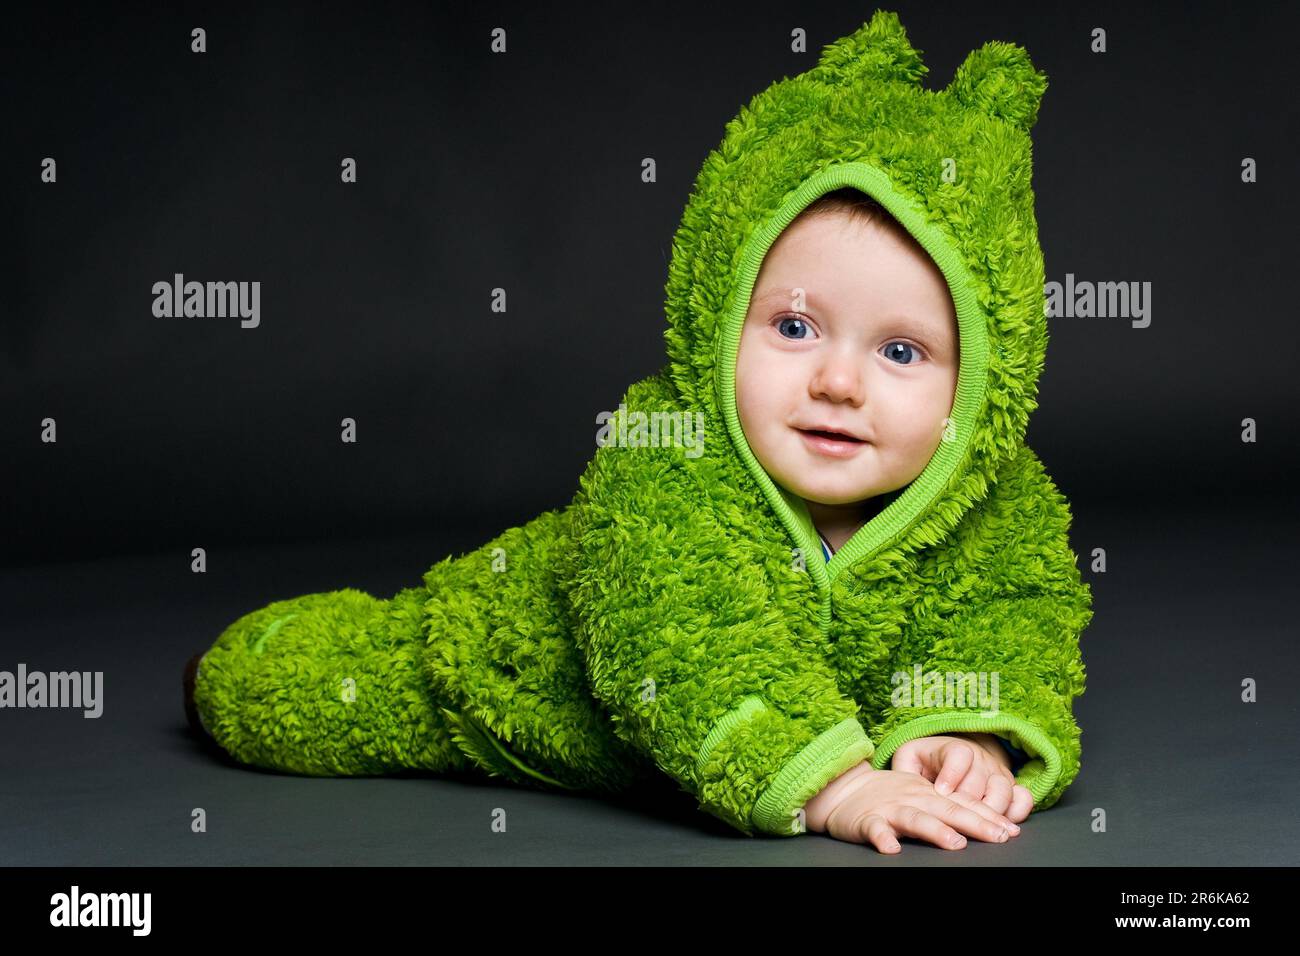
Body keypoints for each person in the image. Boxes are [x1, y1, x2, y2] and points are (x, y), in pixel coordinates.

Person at [184, 10, 1091, 853]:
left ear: (978, 387)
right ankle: (236, 667)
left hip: (775, 715)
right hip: (508, 664)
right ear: (720, 313)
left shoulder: (999, 505)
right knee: (342, 686)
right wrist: (835, 786)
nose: (838, 381)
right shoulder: (666, 462)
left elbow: (1011, 621)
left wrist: (964, 726)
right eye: (794, 327)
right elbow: (689, 640)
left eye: (900, 350)